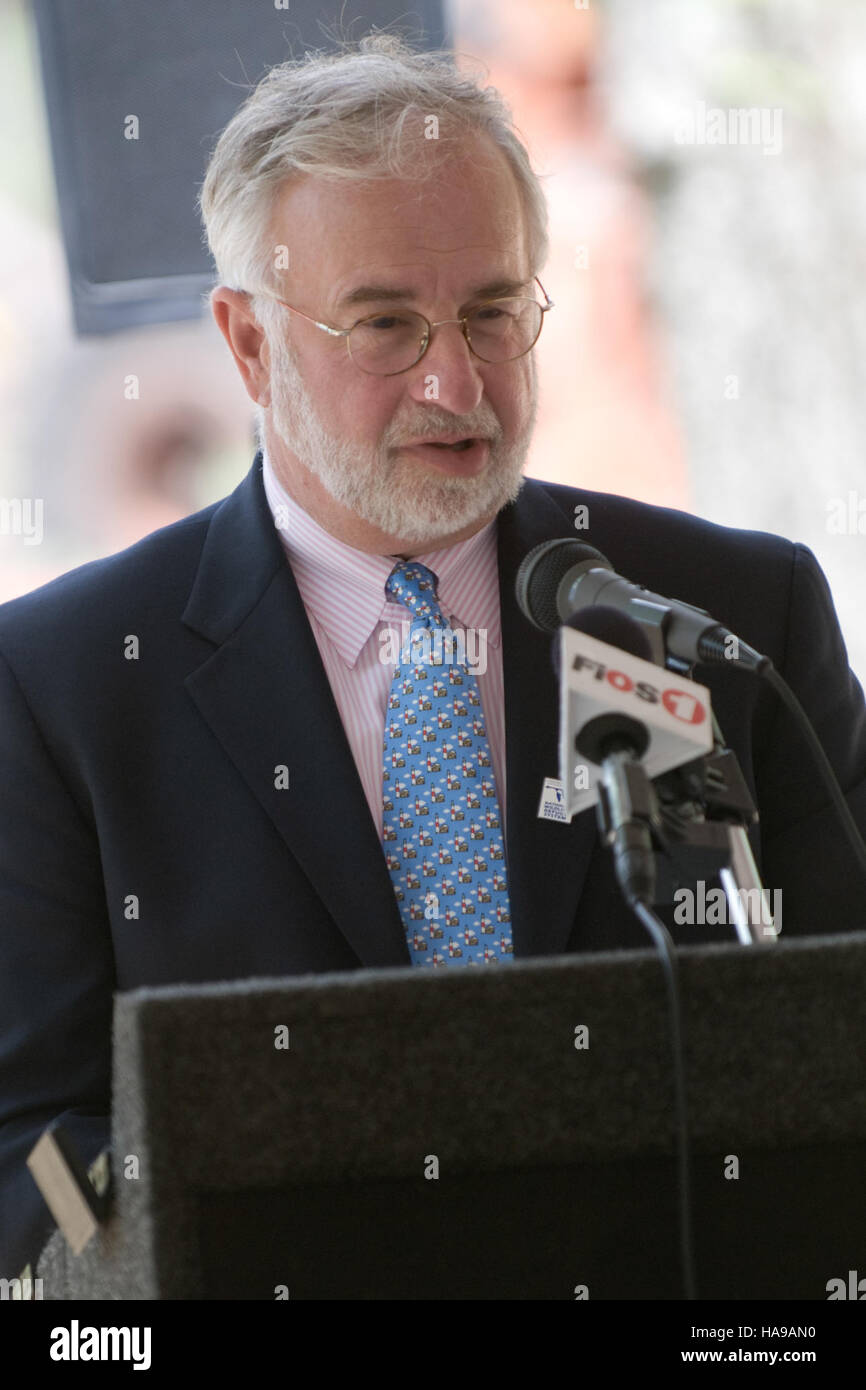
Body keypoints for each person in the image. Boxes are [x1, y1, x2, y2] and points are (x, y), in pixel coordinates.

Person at [1, 34, 865, 1281]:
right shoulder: (64, 690)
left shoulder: (725, 618)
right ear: (248, 344)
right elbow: (29, 1146)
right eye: (385, 326)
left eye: (491, 312)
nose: (454, 378)